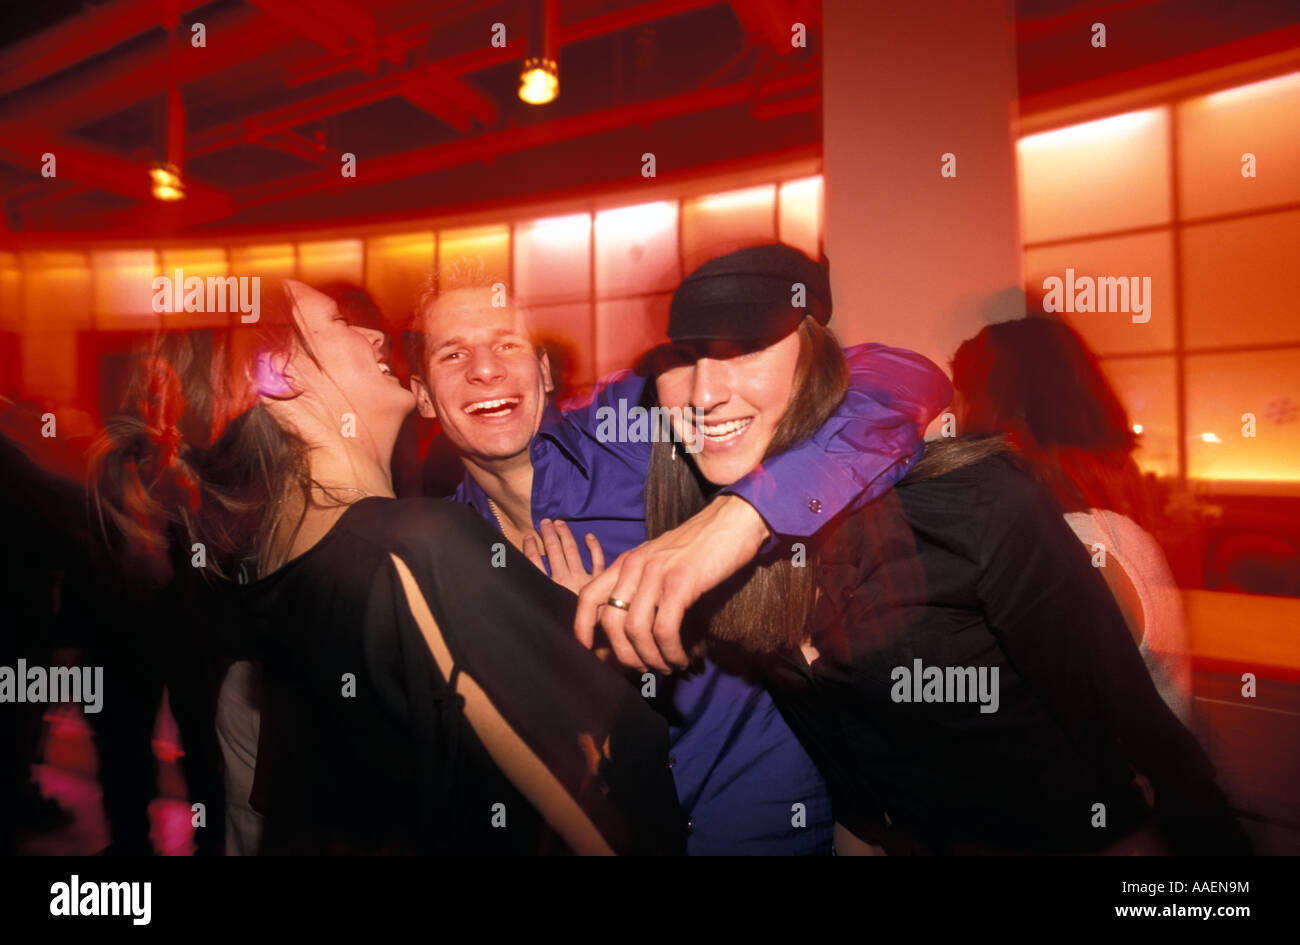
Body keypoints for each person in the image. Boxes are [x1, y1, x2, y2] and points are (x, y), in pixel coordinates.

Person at [580, 247, 1249, 855]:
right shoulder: (699, 533)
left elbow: (1147, 746)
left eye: (748, 348)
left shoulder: (975, 506)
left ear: (816, 360)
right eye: (686, 356)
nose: (705, 392)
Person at [90, 278, 686, 855]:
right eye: (339, 324)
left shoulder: (287, 570)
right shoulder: (421, 546)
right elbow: (606, 814)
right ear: (277, 375)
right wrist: (581, 647)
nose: (377, 338)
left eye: (506, 344)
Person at [409, 250, 951, 854]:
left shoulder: (638, 426)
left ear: (544, 370)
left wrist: (739, 517)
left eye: (506, 344)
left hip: (776, 828)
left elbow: (900, 378)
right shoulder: (442, 554)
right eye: (452, 353)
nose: (484, 370)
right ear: (424, 397)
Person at [951, 316, 1192, 722]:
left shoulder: (1061, 541)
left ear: (992, 409)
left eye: (957, 396)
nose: (950, 418)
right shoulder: (1112, 509)